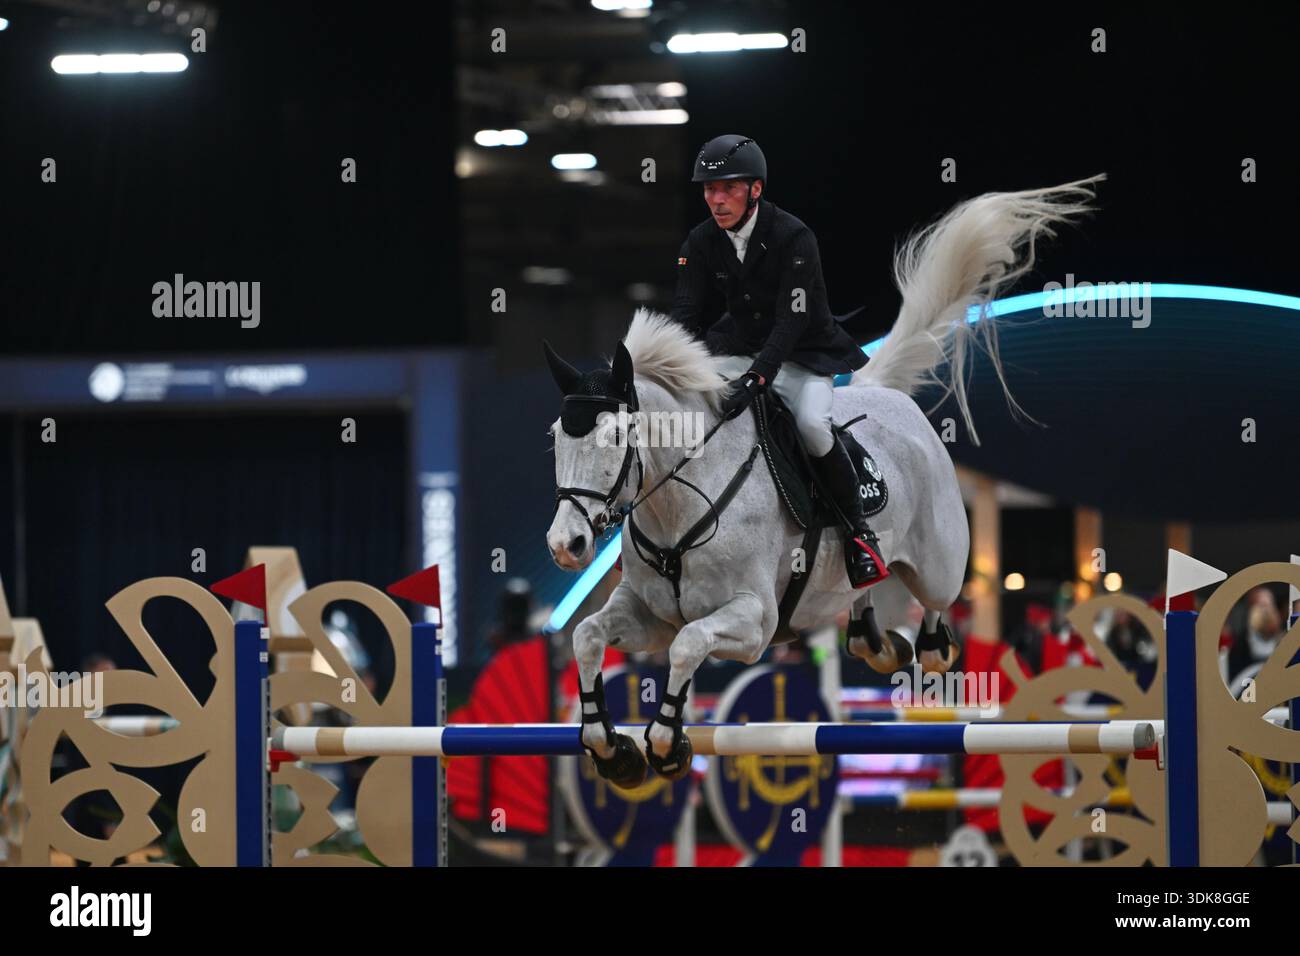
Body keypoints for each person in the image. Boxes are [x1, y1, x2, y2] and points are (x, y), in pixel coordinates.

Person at [670, 134, 885, 587]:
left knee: (810, 424)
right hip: (738, 346)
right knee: (689, 413)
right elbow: (687, 317)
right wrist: (668, 370)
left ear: (756, 189)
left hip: (803, 352)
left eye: (727, 188)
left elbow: (791, 320)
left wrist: (758, 377)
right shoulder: (700, 241)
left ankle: (859, 533)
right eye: (709, 190)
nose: (716, 199)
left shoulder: (793, 236)